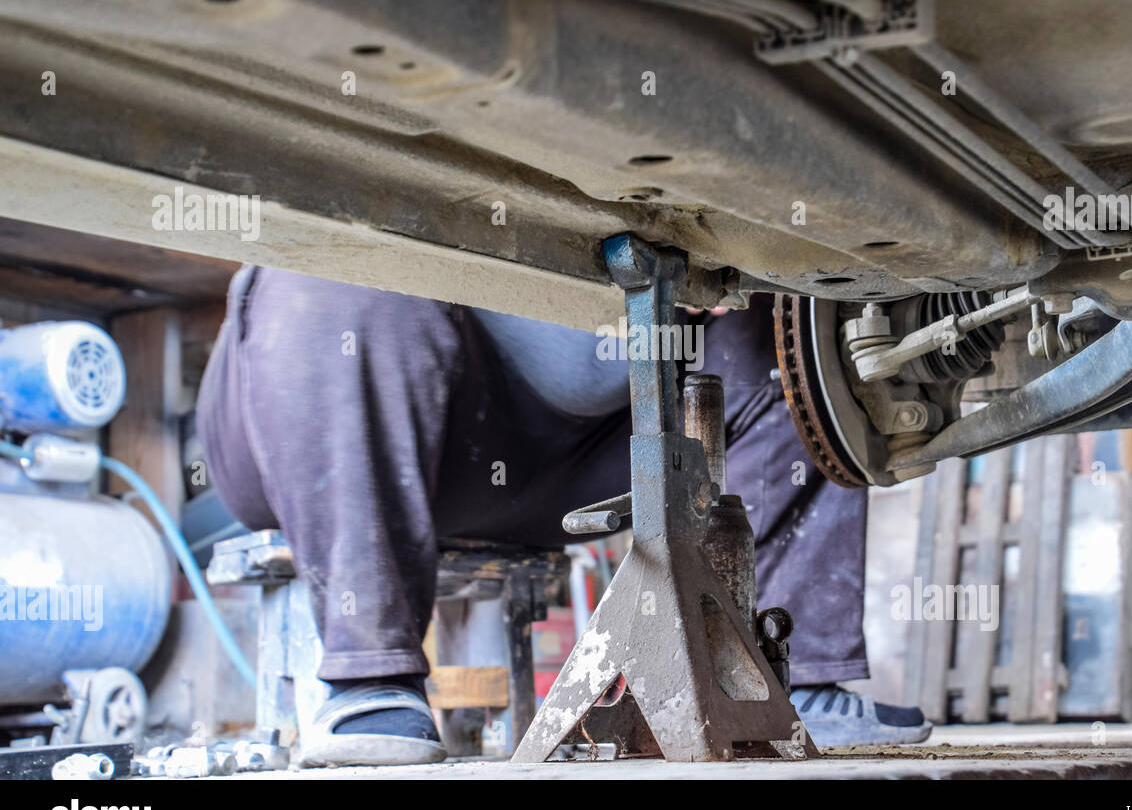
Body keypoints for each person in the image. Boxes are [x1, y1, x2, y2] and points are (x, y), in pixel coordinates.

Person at [196, 265, 931, 765]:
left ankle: (781, 681)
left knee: (790, 341)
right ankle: (371, 679)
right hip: (319, 418)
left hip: (555, 462)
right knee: (342, 274)